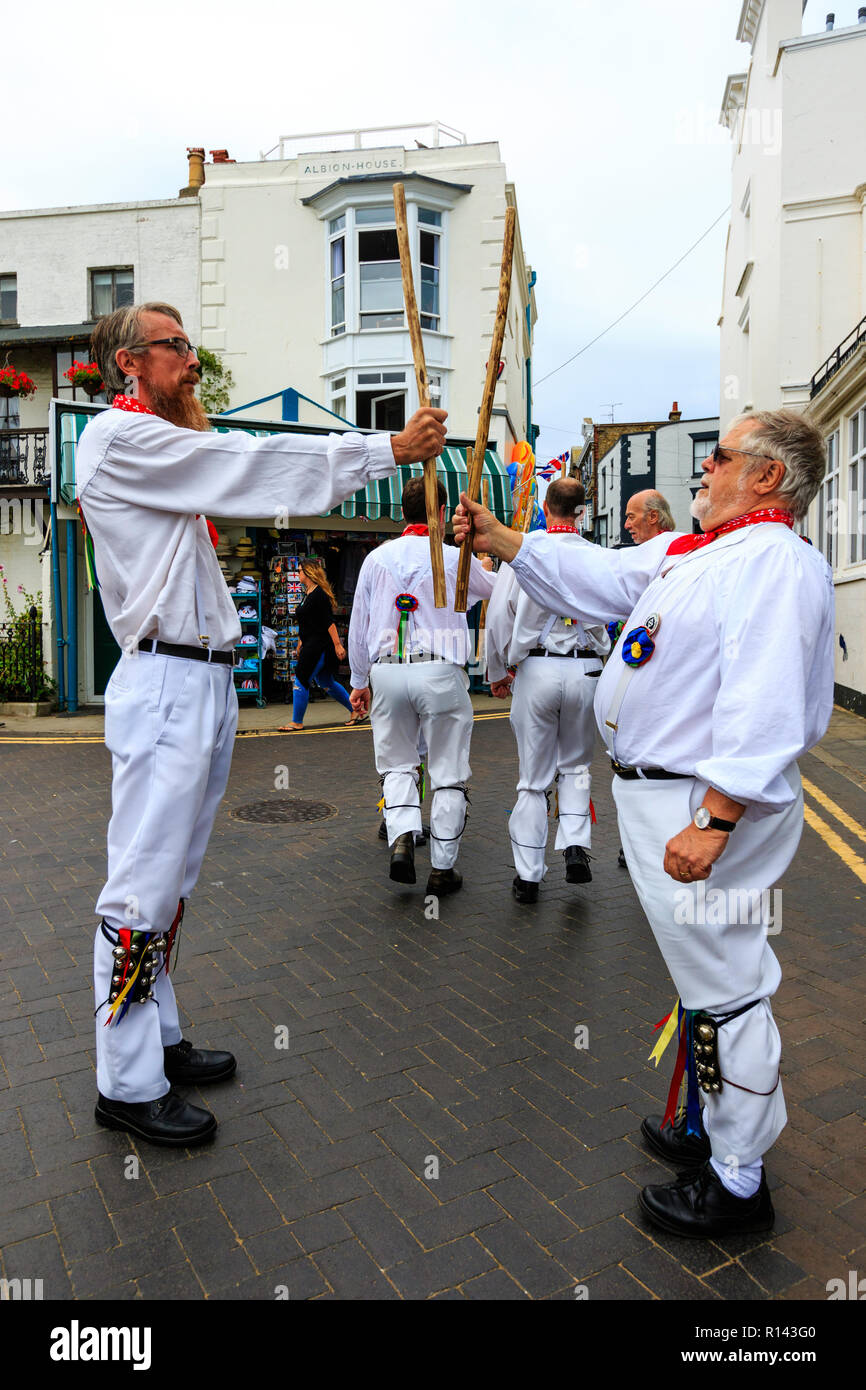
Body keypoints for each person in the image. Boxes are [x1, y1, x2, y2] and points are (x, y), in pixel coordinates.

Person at [454, 409, 833, 1238]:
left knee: (728, 991)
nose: (706, 469)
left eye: (720, 456)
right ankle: (712, 1132)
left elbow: (764, 703)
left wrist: (717, 818)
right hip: (671, 801)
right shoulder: (700, 553)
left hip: (700, 807)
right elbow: (601, 574)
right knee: (709, 983)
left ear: (767, 476)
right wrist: (505, 538)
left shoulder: (773, 562)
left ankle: (738, 1182)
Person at [78, 300, 446, 1146]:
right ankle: (126, 1081)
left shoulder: (158, 448)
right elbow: (247, 464)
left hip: (197, 682)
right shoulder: (121, 437)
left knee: (173, 879)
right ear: (130, 362)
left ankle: (159, 1039)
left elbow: (228, 469)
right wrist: (384, 448)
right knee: (141, 883)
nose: (191, 363)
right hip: (167, 679)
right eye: (176, 348)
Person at [348, 477, 496, 896]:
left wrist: (359, 681)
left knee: (397, 763)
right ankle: (443, 868)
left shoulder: (376, 559)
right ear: (443, 513)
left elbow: (359, 627)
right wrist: (485, 569)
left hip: (388, 671)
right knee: (447, 771)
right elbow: (500, 594)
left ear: (403, 510)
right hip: (439, 672)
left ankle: (402, 835)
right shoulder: (455, 559)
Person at [485, 478, 609, 904]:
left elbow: (500, 617)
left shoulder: (524, 550)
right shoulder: (597, 556)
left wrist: (497, 670)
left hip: (536, 668)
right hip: (587, 668)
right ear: (581, 511)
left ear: (544, 505)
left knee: (533, 780)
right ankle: (575, 844)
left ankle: (529, 877)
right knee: (576, 766)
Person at [617, 487, 676, 867]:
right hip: (636, 675)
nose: (626, 524)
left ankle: (655, 841)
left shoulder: (679, 555)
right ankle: (634, 842)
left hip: (664, 679)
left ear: (653, 516)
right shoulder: (634, 559)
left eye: (632, 516)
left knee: (659, 764)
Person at [277, 561, 361, 730]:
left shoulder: (319, 595)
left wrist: (338, 645)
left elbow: (328, 622)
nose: (297, 573)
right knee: (325, 681)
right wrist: (300, 643)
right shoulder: (307, 593)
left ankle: (297, 721)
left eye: (299, 570)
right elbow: (307, 622)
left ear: (308, 572)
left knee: (301, 678)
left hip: (319, 646)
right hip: (309, 643)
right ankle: (355, 711)